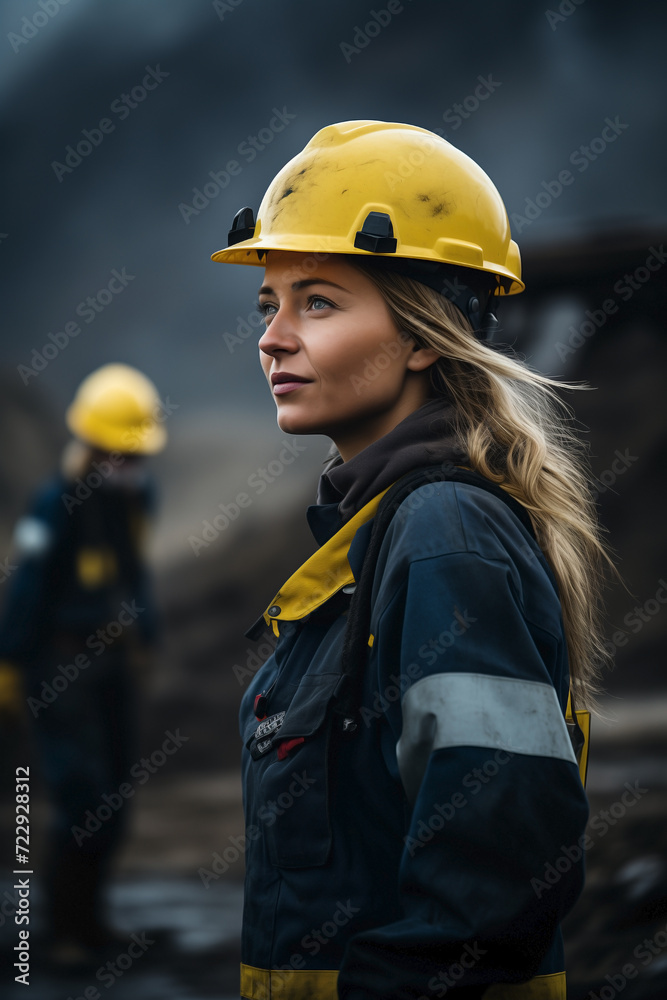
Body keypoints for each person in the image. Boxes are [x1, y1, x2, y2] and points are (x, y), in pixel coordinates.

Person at [211, 121, 608, 999]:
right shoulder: (384, 531)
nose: (273, 337)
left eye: (316, 301)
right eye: (267, 304)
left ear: (426, 335)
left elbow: (494, 876)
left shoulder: (444, 537)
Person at [0, 363, 166, 965]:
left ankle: (92, 924)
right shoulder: (53, 505)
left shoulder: (135, 497)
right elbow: (29, 585)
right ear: (92, 443)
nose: (128, 460)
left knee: (115, 800)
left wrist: (145, 639)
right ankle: (60, 932)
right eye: (117, 450)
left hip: (113, 668)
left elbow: (134, 576)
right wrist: (10, 664)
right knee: (82, 797)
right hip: (58, 669)